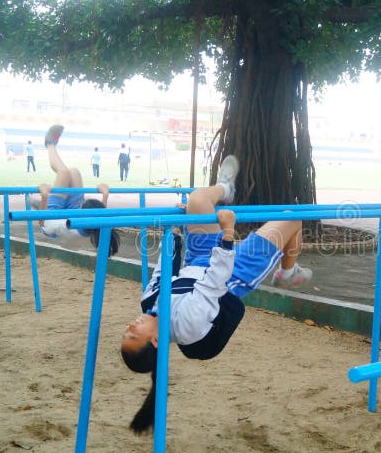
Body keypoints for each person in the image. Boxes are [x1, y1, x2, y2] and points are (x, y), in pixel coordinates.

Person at [120, 155, 312, 434]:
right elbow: (214, 282)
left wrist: (171, 233)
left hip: (199, 259)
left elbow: (162, 272)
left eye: (126, 331)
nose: (129, 326)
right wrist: (228, 232)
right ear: (155, 339)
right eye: (133, 334)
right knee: (292, 219)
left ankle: (226, 187)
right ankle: (287, 272)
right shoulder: (187, 325)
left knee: (197, 200)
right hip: (233, 273)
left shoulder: (148, 304)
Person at [30, 124, 119, 254]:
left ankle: (50, 144)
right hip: (73, 213)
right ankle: (41, 202)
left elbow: (42, 222)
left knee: (64, 173)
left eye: (83, 203)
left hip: (53, 217)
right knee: (74, 172)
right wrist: (105, 194)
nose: (83, 201)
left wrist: (44, 196)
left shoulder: (64, 226)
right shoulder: (93, 224)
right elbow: (101, 215)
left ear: (82, 211)